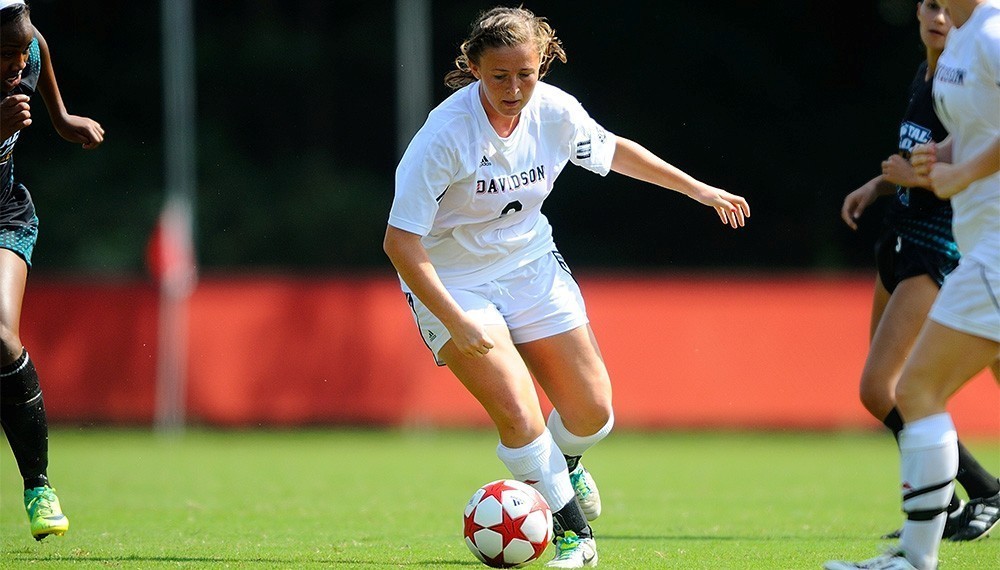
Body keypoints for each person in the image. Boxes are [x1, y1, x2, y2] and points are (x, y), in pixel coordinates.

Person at [383, 6, 749, 568]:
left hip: (529, 262)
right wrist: (455, 319)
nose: (513, 88)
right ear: (475, 68)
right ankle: (575, 537)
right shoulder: (446, 136)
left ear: (542, 65)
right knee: (518, 410)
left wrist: (699, 191)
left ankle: (565, 466)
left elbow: (613, 150)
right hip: (453, 279)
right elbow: (399, 243)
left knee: (593, 412)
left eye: (525, 74)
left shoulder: (555, 112)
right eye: (499, 75)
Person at [825, 0, 999, 568]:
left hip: (966, 246)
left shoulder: (991, 35)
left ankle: (918, 553)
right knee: (904, 390)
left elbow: (970, 158)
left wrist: (959, 173)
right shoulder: (960, 49)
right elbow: (961, 141)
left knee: (910, 390)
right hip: (946, 239)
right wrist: (909, 172)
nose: (934, 13)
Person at [1, 0, 104, 541]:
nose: (18, 64)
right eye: (5, 54)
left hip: (4, 215)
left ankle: (38, 486)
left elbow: (36, 40)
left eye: (21, 51)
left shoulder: (25, 55)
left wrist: (60, 117)